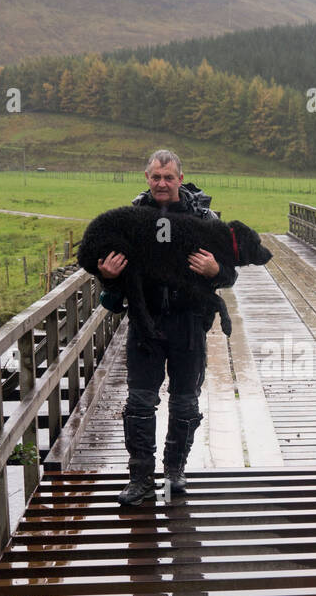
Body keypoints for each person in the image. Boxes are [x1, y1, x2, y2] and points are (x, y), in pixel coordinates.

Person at [94, 149, 237, 504]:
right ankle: (140, 478)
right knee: (140, 403)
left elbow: (230, 274)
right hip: (146, 323)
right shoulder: (129, 220)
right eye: (155, 177)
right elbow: (113, 277)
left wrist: (215, 271)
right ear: (147, 178)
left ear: (180, 178)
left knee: (185, 403)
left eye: (168, 177)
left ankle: (175, 472)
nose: (161, 183)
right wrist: (107, 275)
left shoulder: (206, 220)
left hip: (189, 325)